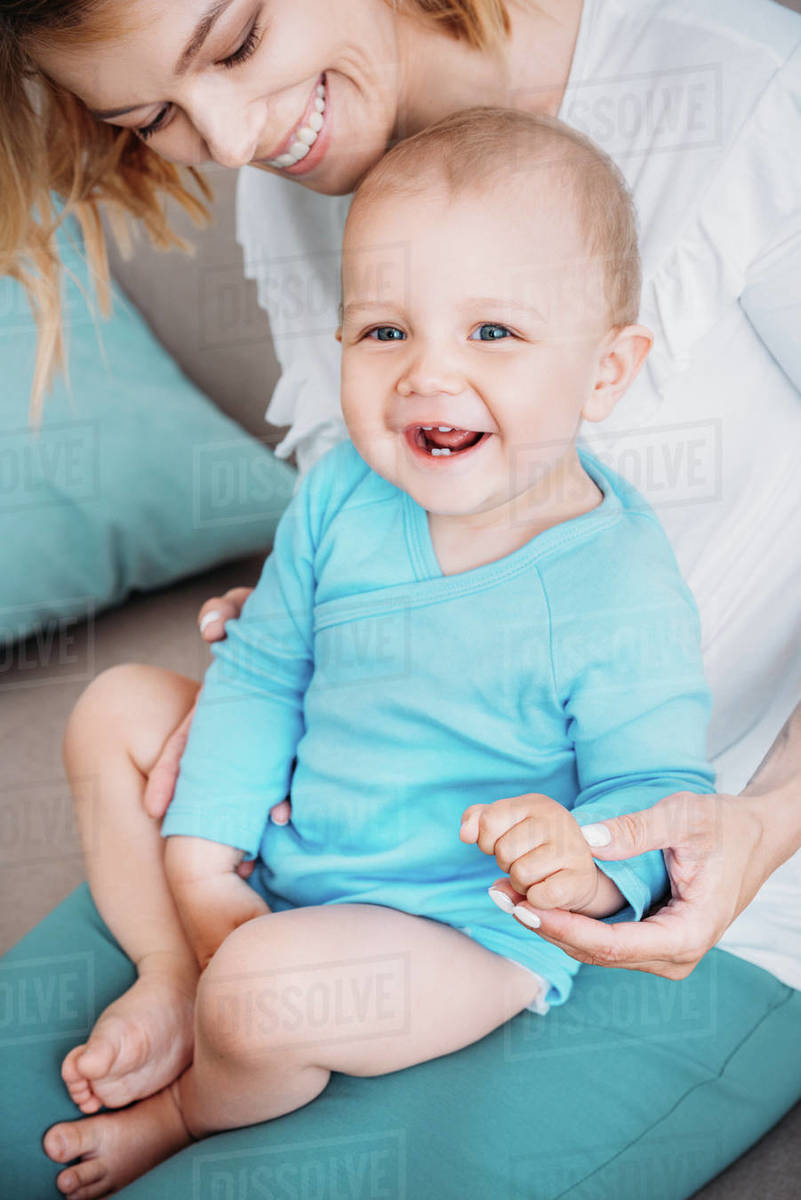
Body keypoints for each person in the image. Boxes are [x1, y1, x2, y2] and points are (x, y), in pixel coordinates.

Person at [2, 1, 800, 1196]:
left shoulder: (751, 93)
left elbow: (648, 793)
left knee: (251, 1071)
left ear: (608, 366)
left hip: (670, 884)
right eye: (152, 113)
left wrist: (705, 840)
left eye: (231, 42)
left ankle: (203, 1061)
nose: (225, 139)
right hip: (327, 822)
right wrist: (269, 695)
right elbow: (333, 568)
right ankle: (191, 974)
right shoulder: (295, 172)